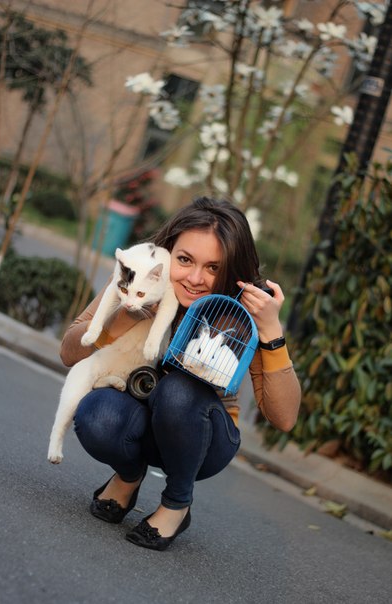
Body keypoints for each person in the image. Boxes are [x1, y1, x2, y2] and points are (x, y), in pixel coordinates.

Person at [60, 196, 301, 551]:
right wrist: (130, 311)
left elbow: (284, 418)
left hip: (202, 438)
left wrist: (271, 331)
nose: (195, 279)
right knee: (98, 414)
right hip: (136, 416)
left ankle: (176, 504)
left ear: (232, 271)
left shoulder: (237, 315)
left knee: (177, 391)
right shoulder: (141, 278)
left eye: (213, 267)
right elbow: (69, 352)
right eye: (185, 260)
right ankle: (128, 477)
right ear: (167, 251)